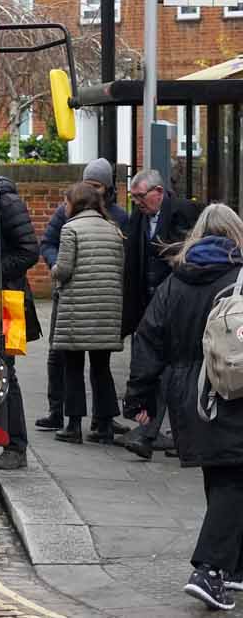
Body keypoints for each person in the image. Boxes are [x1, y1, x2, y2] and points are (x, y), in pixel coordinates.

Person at [124, 204, 243, 612]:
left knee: (222, 472)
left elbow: (147, 338)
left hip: (185, 396)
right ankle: (208, 570)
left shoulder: (175, 282)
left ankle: (233, 566)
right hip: (230, 391)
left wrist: (138, 396)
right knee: (234, 479)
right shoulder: (239, 277)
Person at [36, 158, 130, 433]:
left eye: (97, 185)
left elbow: (63, 269)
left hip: (76, 306)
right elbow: (121, 265)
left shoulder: (72, 226)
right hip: (105, 306)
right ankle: (102, 424)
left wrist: (56, 270)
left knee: (73, 364)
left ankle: (73, 423)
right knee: (99, 366)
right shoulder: (114, 227)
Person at [121, 168, 201, 459]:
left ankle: (151, 434)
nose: (138, 202)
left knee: (171, 371)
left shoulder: (183, 211)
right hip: (150, 305)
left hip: (179, 305)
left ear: (158, 192)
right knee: (158, 368)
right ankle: (164, 435)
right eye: (134, 198)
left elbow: (191, 249)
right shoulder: (139, 218)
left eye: (141, 197)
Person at [0, 175, 42, 470]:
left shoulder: (6, 201)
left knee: (7, 372)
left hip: (11, 300)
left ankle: (16, 446)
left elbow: (29, 251)